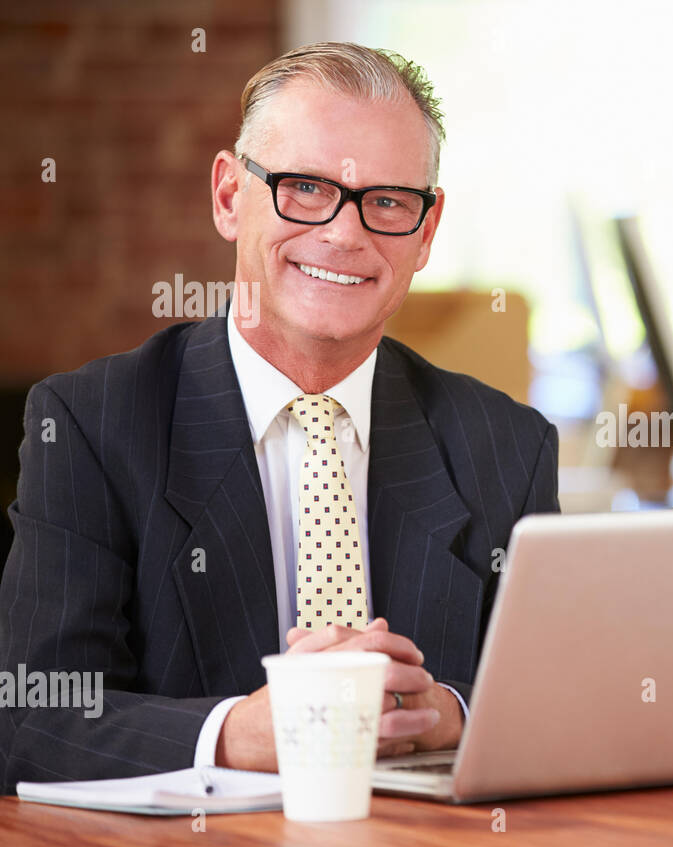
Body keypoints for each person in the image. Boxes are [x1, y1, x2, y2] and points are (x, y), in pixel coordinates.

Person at [0, 43, 560, 791]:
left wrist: (451, 715)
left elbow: (567, 705)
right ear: (230, 196)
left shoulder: (509, 447)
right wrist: (246, 733)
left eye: (388, 200)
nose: (344, 233)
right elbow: (33, 724)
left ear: (426, 231)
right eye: (304, 187)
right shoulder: (90, 425)